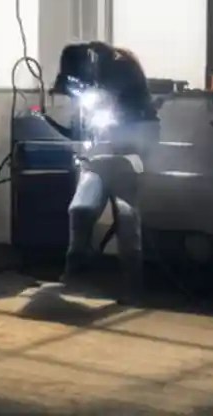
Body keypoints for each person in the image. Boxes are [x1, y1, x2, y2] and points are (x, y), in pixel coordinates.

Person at [45, 42, 159, 302]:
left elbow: (110, 111)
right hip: (105, 150)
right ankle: (74, 275)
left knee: (126, 214)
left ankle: (133, 285)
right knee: (80, 209)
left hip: (134, 147)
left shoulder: (120, 69)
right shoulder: (96, 77)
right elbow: (84, 126)